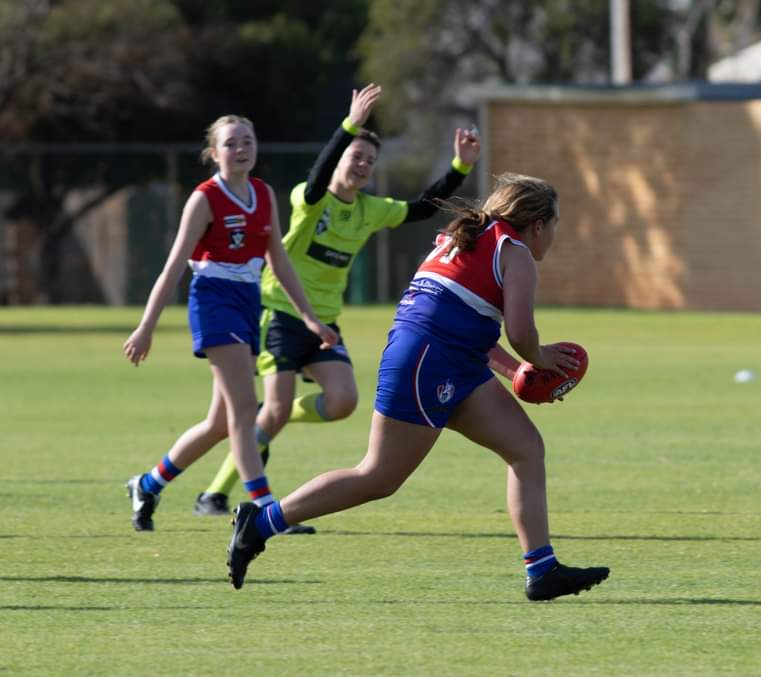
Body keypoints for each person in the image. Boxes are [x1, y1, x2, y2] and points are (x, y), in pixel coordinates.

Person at [225, 172, 610, 602]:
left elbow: (464, 322)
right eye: (555, 224)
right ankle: (260, 523)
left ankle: (542, 570)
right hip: (429, 360)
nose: (555, 235)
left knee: (525, 447)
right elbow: (520, 334)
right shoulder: (514, 251)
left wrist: (518, 371)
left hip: (444, 356)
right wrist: (541, 359)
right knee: (378, 475)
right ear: (537, 224)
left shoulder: (466, 236)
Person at [192, 87, 482, 530]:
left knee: (343, 400)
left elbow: (422, 208)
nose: (361, 165)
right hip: (279, 310)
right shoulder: (310, 202)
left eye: (369, 159)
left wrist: (460, 166)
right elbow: (318, 175)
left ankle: (270, 415)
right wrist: (348, 126)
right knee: (272, 410)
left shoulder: (370, 209)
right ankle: (216, 492)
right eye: (354, 156)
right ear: (339, 158)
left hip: (323, 319)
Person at [122, 114, 339, 531]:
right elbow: (172, 269)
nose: (241, 149)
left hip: (247, 301)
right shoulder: (204, 199)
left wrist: (310, 317)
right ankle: (267, 509)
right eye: (231, 143)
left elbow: (279, 260)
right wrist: (146, 326)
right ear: (214, 152)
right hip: (213, 301)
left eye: (247, 141)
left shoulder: (262, 193)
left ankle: (147, 485)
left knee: (220, 423)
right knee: (244, 410)